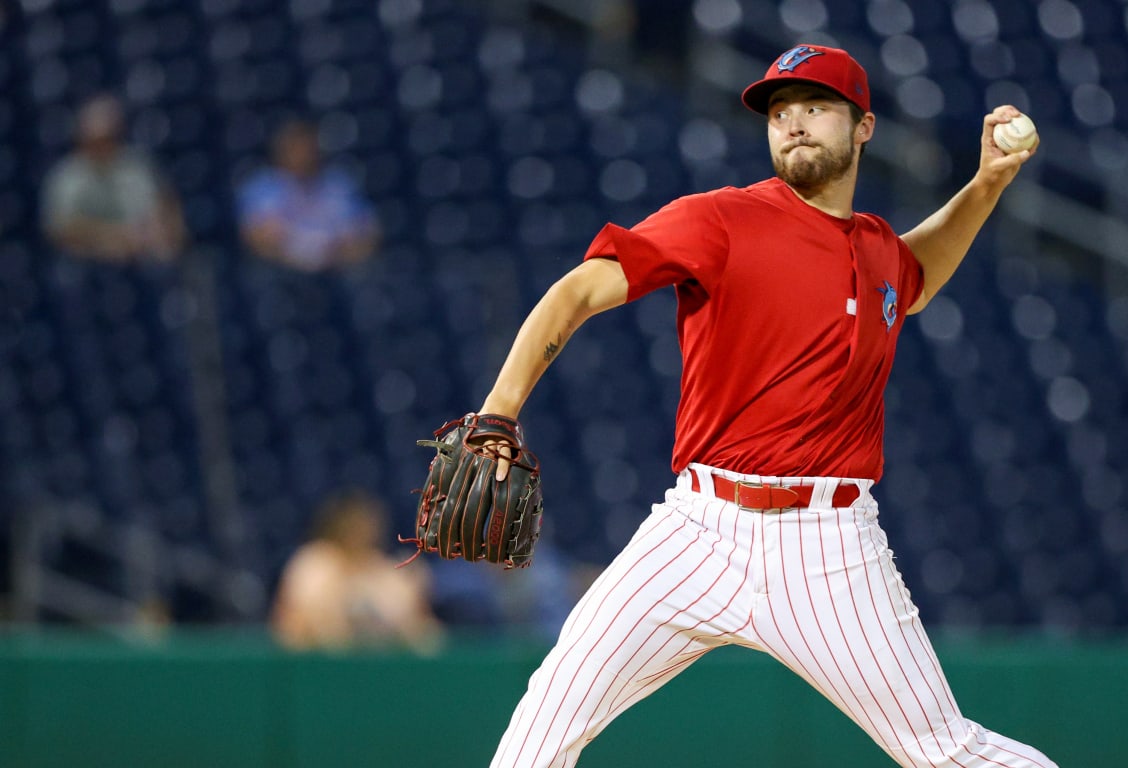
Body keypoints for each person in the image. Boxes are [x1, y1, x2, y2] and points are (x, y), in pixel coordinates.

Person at [473, 45, 1053, 767]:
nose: (795, 123)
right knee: (540, 729)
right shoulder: (719, 220)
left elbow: (914, 277)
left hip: (830, 545)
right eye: (780, 112)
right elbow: (579, 290)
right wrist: (501, 407)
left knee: (945, 750)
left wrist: (987, 185)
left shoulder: (875, 250)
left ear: (864, 126)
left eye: (816, 107)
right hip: (696, 530)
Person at [270, 489, 440, 651]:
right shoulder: (313, 564)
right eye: (351, 523)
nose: (359, 530)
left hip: (379, 671)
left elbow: (425, 635)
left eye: (364, 523)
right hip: (320, 668)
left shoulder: (389, 572)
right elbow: (288, 627)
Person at [41, 93, 185, 263]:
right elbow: (59, 226)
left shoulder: (135, 167)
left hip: (136, 257)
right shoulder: (67, 175)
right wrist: (109, 235)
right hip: (86, 262)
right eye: (95, 140)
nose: (101, 146)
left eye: (107, 138)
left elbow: (157, 213)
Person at [237, 118, 378, 271]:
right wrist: (303, 256)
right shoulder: (263, 187)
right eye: (295, 148)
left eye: (308, 147)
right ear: (282, 150)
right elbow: (255, 239)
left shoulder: (338, 184)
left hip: (337, 270)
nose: (303, 154)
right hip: (282, 273)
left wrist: (333, 255)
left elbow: (369, 235)